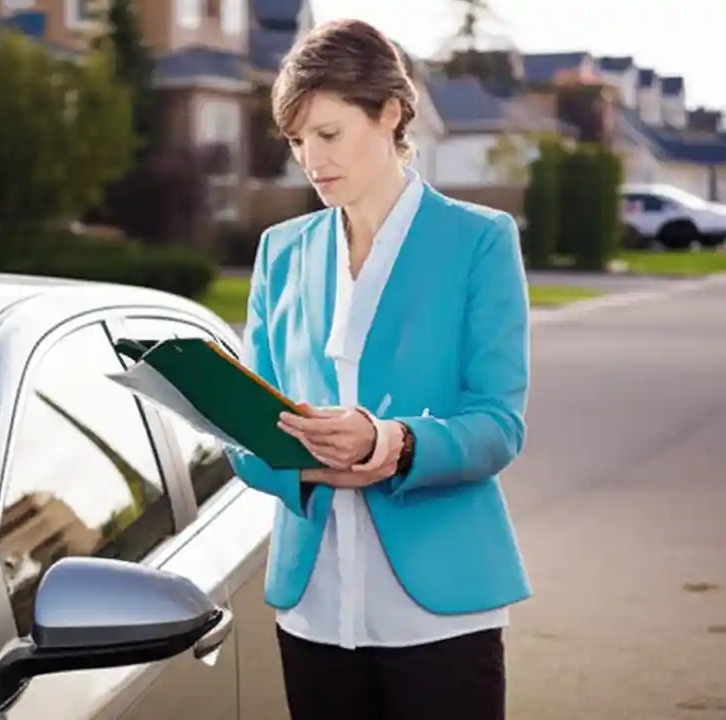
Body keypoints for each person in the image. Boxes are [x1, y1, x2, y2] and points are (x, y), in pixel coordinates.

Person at [223, 17, 532, 720]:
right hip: (314, 607)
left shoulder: (478, 242)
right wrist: (302, 461)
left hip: (441, 614)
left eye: (327, 134)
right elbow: (240, 430)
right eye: (298, 141)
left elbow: (497, 425)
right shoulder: (281, 252)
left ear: (390, 112)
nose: (310, 158)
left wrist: (387, 444)